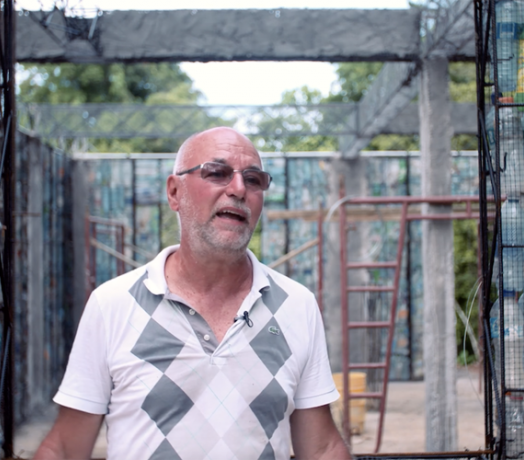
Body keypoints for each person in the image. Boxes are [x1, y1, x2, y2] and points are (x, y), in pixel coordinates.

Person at [34, 127, 349, 459]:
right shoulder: (112, 304)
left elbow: (323, 448)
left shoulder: (296, 306)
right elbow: (65, 449)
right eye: (217, 173)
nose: (239, 189)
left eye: (254, 179)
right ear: (174, 193)